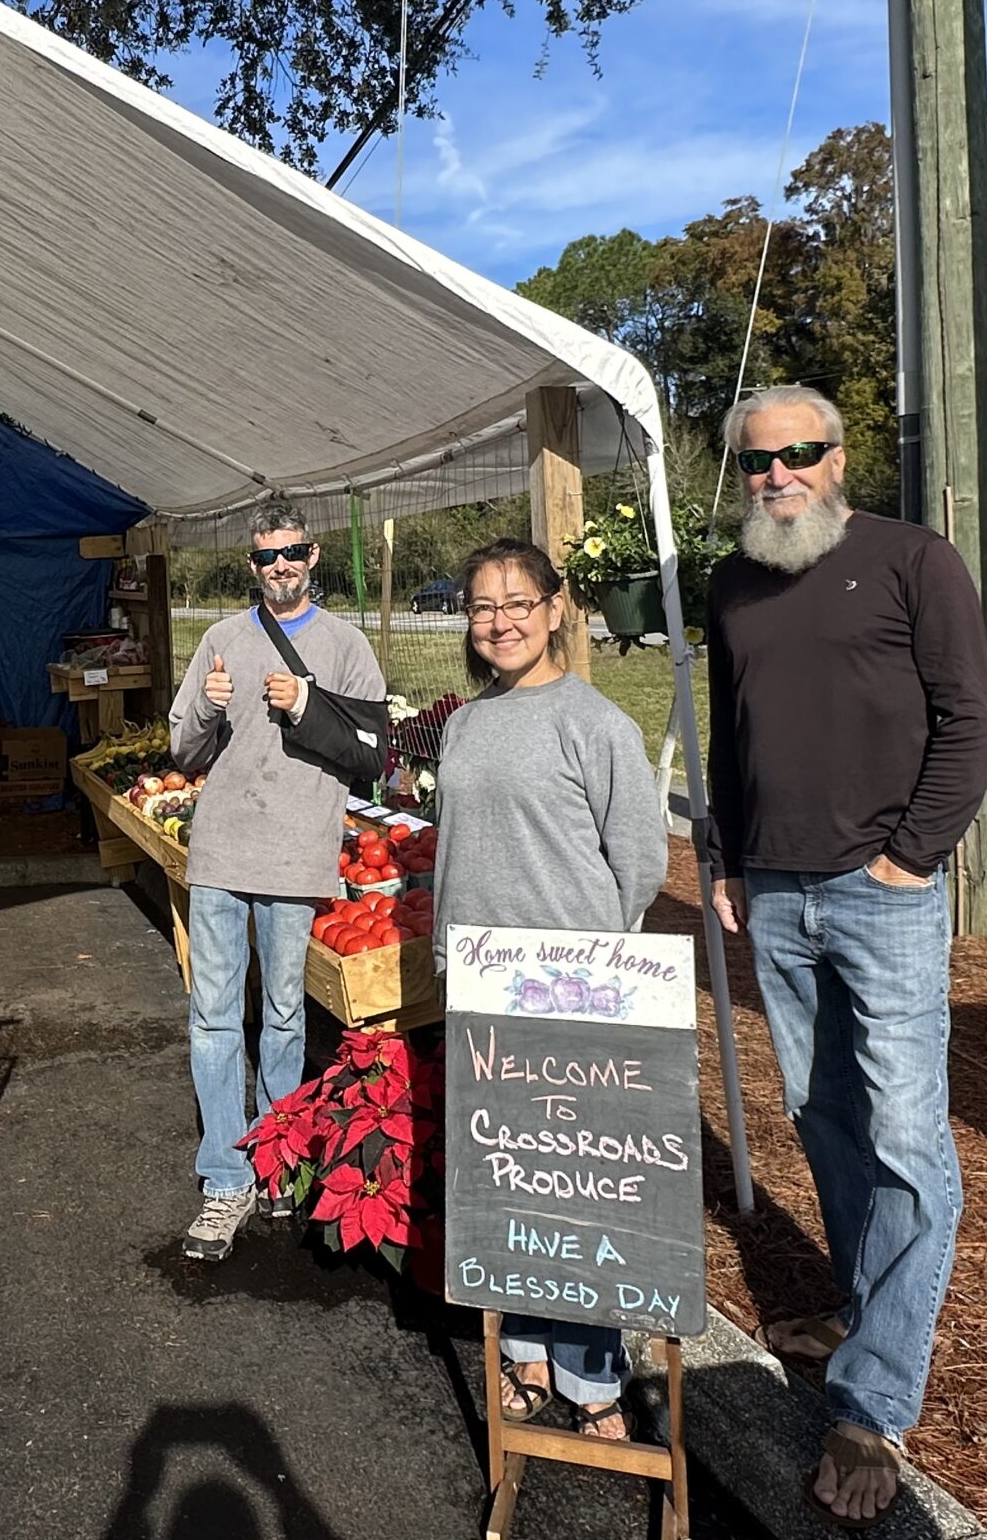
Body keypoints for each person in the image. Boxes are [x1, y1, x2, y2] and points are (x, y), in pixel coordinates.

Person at [702, 385, 987, 1527]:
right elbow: (731, 734)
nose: (776, 475)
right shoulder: (734, 582)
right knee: (822, 1115)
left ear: (837, 458)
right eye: (757, 461)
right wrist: (731, 861)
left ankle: (872, 1403)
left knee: (906, 1134)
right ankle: (861, 1302)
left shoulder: (913, 561)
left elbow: (970, 717)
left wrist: (908, 859)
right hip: (775, 890)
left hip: (882, 894)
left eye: (799, 453)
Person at [431, 536, 665, 1440]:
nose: (499, 622)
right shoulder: (465, 723)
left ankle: (592, 1370)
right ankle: (527, 1349)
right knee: (513, 1175)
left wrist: (594, 960)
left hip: (572, 990)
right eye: (482, 607)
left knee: (580, 1184)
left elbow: (638, 862)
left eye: (517, 603)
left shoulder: (594, 723)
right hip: (482, 982)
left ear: (556, 609)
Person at [166, 502, 388, 1261]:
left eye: (291, 552)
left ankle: (276, 1154)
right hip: (221, 854)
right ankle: (225, 1177)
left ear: (313, 556)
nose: (280, 566)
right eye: (266, 556)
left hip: (296, 856)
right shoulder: (222, 640)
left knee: (286, 1015)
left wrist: (307, 705)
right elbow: (183, 750)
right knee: (214, 1017)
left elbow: (372, 754)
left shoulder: (346, 645)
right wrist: (207, 707)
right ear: (251, 564)